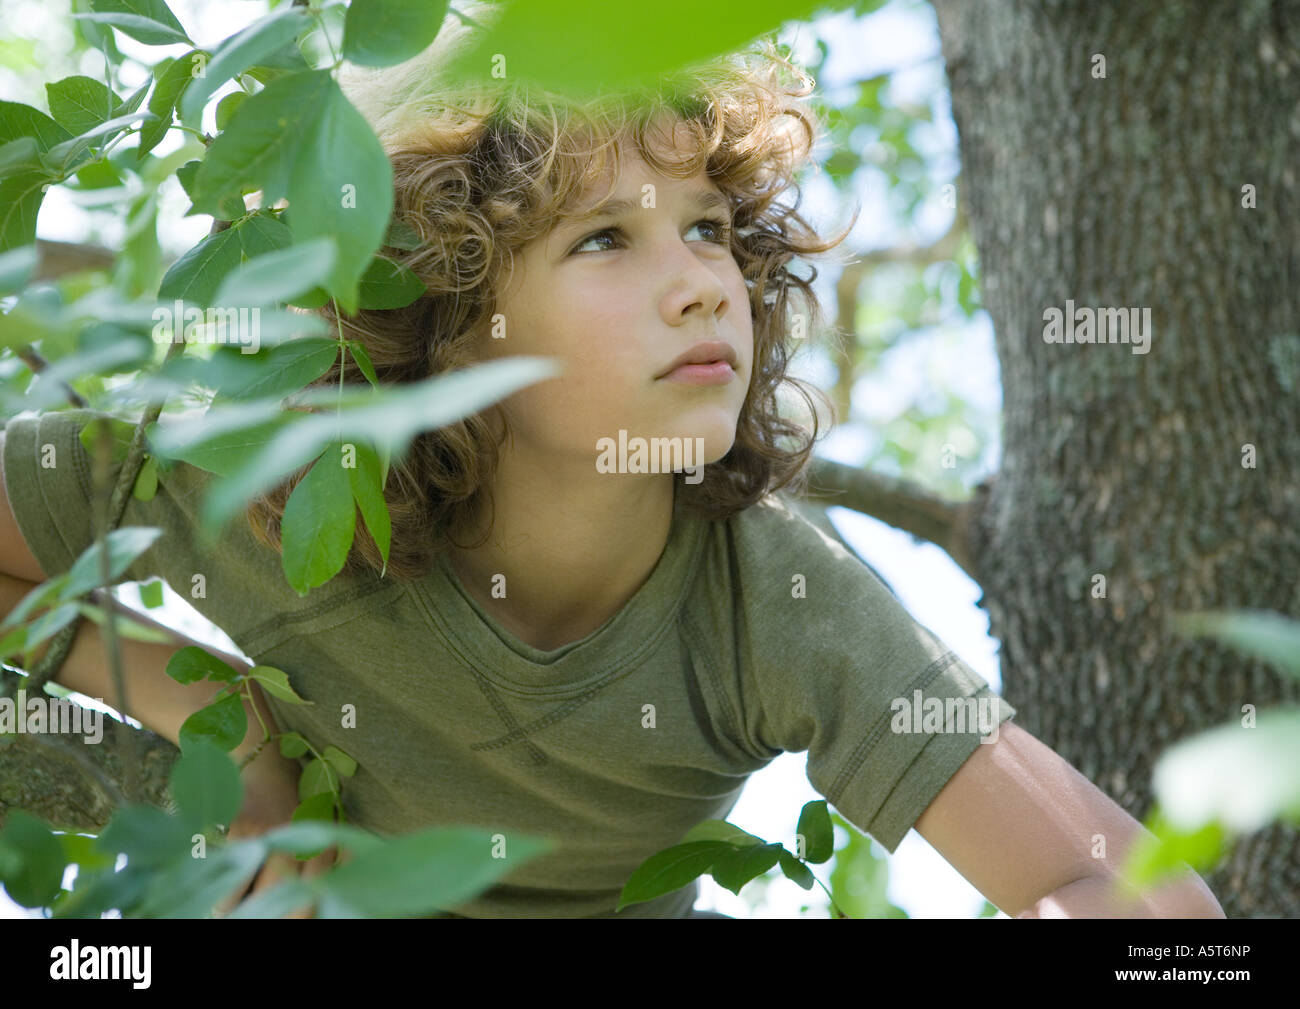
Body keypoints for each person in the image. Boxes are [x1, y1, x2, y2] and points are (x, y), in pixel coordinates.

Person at [0, 1, 1224, 919]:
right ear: (442, 310)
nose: (700, 284)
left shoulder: (774, 595)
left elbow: (1128, 885)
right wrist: (223, 721)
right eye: (603, 239)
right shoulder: (260, 481)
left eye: (705, 227)